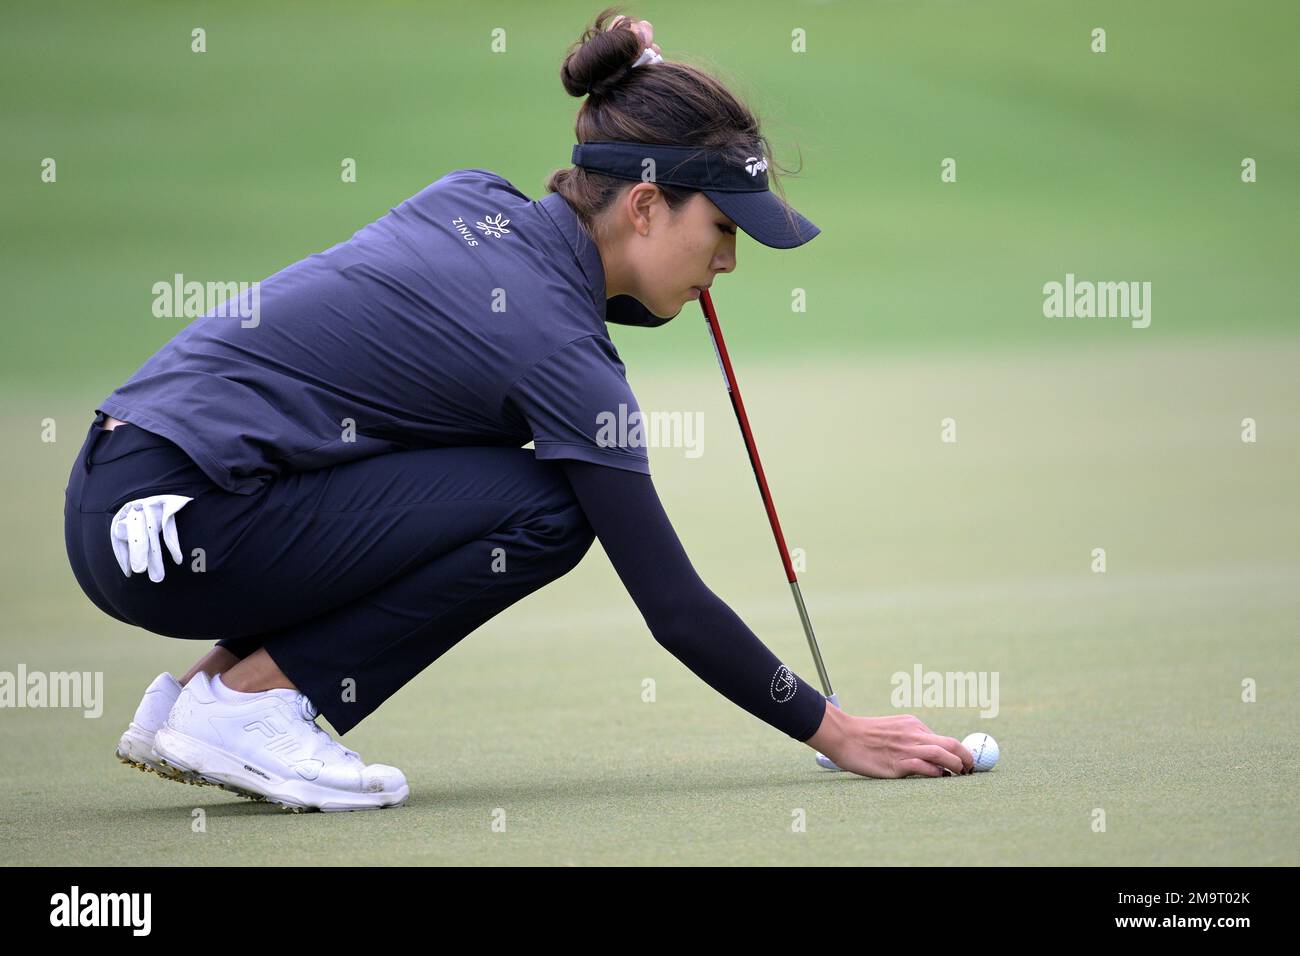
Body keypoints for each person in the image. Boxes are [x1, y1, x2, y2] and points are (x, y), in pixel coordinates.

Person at [63, 8, 973, 812]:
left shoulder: (471, 201)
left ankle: (205, 695)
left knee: (493, 463)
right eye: (724, 230)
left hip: (126, 497)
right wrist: (836, 731)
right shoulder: (559, 355)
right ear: (647, 205)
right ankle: (258, 703)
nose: (728, 263)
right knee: (548, 507)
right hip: (183, 529)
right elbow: (673, 606)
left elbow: (499, 344)